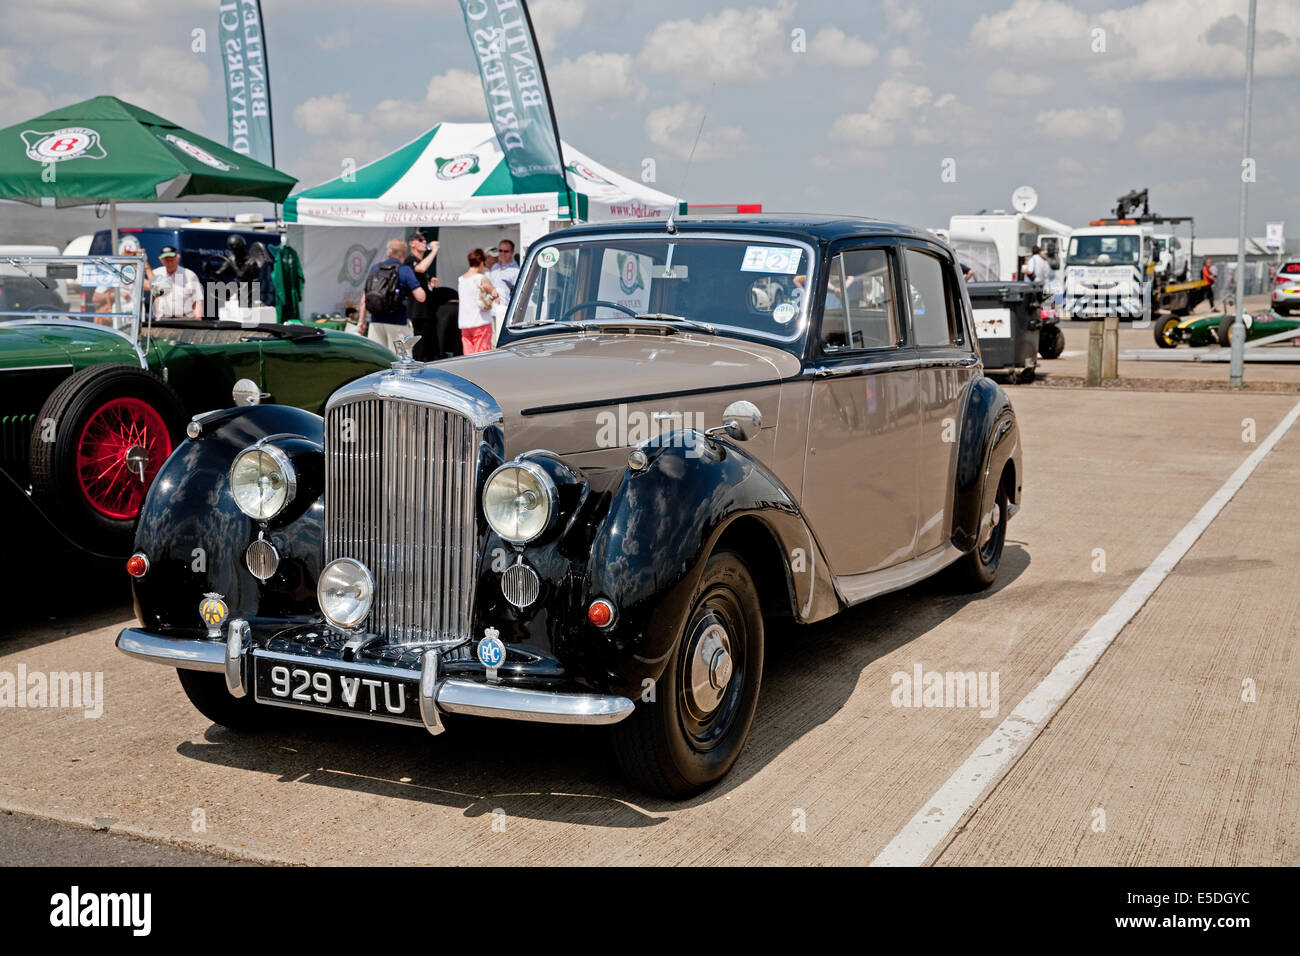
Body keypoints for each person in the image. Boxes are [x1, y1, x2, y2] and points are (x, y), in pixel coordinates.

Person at [357, 238, 426, 351]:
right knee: (401, 360)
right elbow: (421, 296)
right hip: (398, 321)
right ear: (404, 254)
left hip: (376, 321)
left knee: (378, 358)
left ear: (388, 253)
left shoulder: (375, 268)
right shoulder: (405, 270)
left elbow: (364, 299)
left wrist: (361, 321)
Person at [93, 236, 151, 326]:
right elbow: (95, 297)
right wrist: (115, 295)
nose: (129, 258)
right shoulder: (112, 271)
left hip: (135, 318)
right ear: (120, 254)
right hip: (118, 317)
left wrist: (145, 263)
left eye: (132, 255)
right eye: (126, 255)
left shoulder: (137, 272)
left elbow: (151, 286)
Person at [403, 232, 440, 360]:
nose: (424, 242)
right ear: (412, 243)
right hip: (416, 313)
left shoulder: (421, 261)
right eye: (420, 240)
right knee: (418, 347)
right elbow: (420, 269)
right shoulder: (410, 260)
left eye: (425, 240)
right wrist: (434, 251)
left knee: (428, 348)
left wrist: (430, 286)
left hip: (425, 312)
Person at [458, 248, 497, 354]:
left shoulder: (461, 279)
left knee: (468, 357)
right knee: (481, 357)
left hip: (465, 324)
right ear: (481, 262)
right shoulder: (481, 278)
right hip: (481, 322)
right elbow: (495, 294)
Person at [151, 245, 204, 320]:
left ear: (178, 258)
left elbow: (197, 300)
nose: (170, 263)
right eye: (167, 260)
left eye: (172, 260)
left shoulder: (189, 275)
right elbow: (155, 297)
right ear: (161, 260)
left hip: (185, 319)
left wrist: (198, 318)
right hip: (164, 319)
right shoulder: (156, 274)